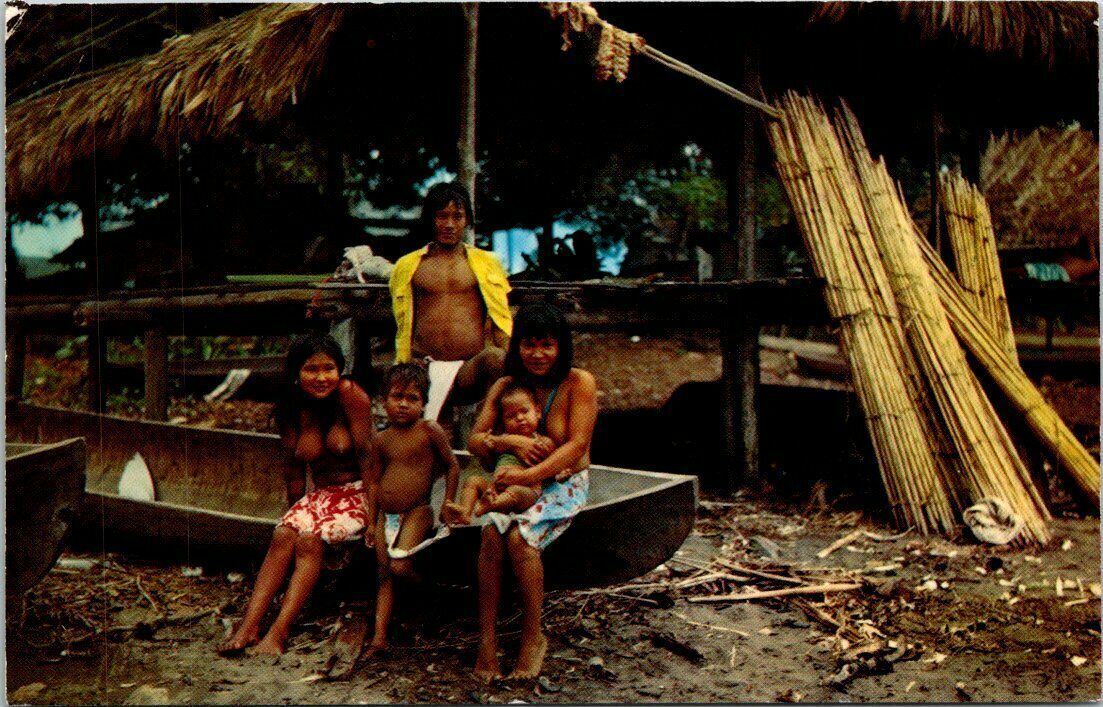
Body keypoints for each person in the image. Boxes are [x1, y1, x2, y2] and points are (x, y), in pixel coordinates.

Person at [217, 334, 375, 656]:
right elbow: (292, 473)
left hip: (359, 494)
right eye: (311, 370)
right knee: (283, 535)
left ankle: (278, 632)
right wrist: (296, 516)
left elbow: (370, 460)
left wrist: (375, 518)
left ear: (340, 371)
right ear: (296, 373)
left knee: (308, 541)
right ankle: (249, 626)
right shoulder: (291, 406)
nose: (321, 378)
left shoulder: (350, 395)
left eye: (328, 368)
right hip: (321, 496)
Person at [467, 303, 599, 680]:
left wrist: (531, 475)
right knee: (492, 533)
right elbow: (475, 441)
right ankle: (487, 640)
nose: (537, 354)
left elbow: (576, 446)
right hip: (513, 479)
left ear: (561, 346)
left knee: (520, 540)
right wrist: (509, 440)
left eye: (546, 345)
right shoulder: (506, 385)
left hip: (562, 483)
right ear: (517, 347)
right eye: (529, 344)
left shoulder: (579, 383)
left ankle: (531, 636)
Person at [388, 183, 512, 417]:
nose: (449, 224)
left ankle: (486, 437)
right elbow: (403, 321)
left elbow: (500, 320)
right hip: (421, 368)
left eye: (457, 216)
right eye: (442, 216)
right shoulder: (409, 266)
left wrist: (516, 367)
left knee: (497, 358)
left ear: (467, 220)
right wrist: (405, 364)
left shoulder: (486, 264)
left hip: (469, 369)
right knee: (425, 434)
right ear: (431, 219)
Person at [363, 363, 461, 657]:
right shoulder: (381, 439)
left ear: (424, 404)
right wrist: (371, 522)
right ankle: (379, 639)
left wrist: (448, 503)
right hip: (385, 516)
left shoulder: (428, 430)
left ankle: (434, 595)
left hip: (418, 511)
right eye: (397, 396)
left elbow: (453, 466)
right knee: (384, 575)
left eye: (413, 398)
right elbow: (375, 483)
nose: (404, 404)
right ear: (384, 400)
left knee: (400, 566)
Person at [443, 383, 558, 524]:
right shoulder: (503, 442)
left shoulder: (542, 442)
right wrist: (488, 450)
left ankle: (492, 505)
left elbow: (552, 465)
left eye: (524, 411)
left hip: (527, 493)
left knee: (516, 490)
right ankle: (465, 513)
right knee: (473, 481)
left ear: (538, 412)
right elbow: (491, 466)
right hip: (496, 490)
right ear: (504, 421)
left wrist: (561, 474)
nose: (520, 418)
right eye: (511, 416)